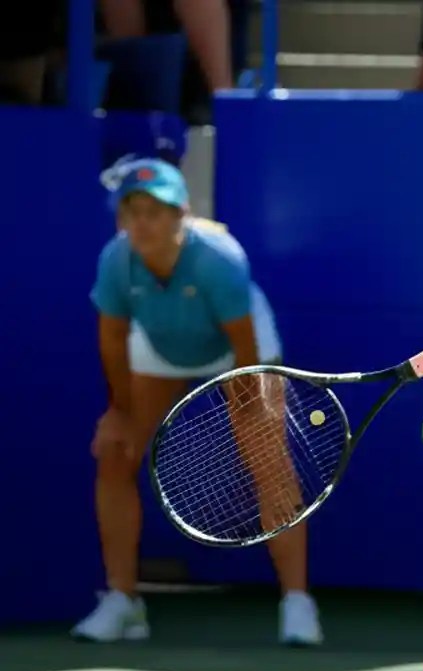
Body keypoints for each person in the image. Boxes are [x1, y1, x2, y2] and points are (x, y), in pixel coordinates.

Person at [76, 157, 323, 646]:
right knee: (115, 453)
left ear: (180, 215)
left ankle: (297, 603)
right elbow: (111, 341)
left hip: (239, 347)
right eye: (133, 211)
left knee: (269, 462)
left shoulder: (218, 260)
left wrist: (250, 408)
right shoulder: (115, 260)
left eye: (156, 210)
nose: (143, 222)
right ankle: (123, 602)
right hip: (159, 342)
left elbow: (244, 347)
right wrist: (120, 413)